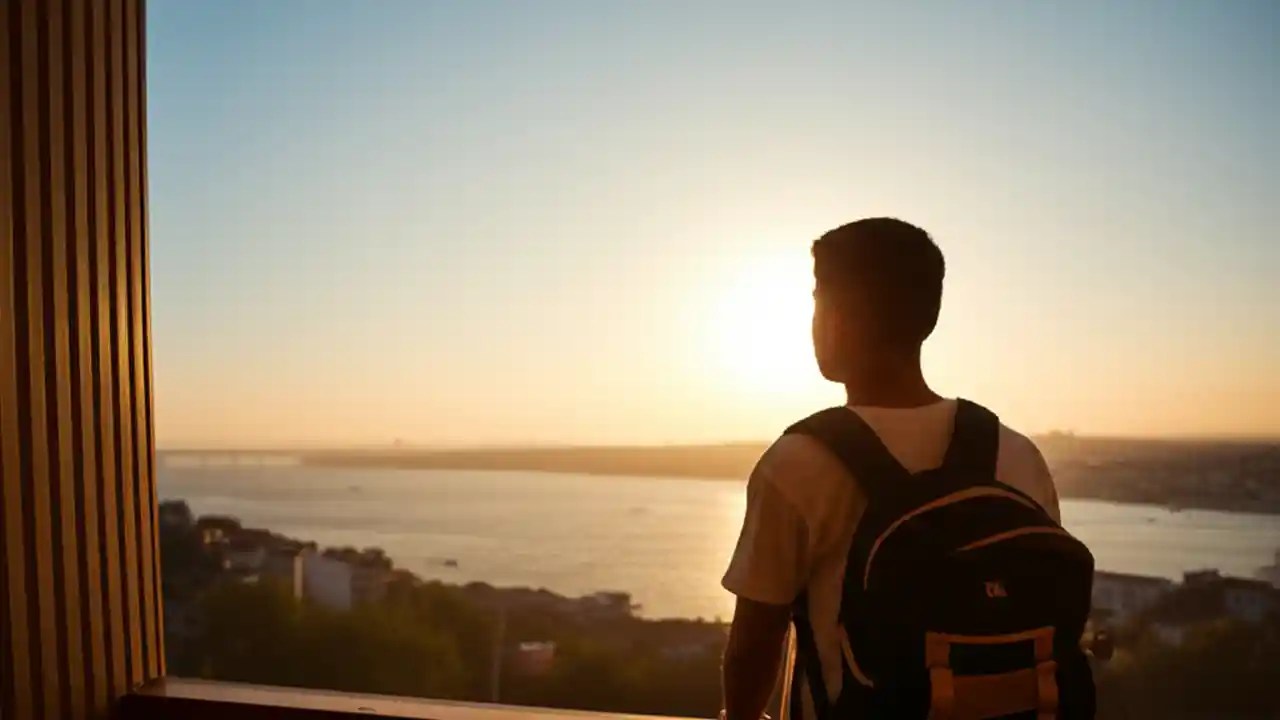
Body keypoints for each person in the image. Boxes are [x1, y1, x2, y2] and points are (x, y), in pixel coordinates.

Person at [720, 218, 1066, 720]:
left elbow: (754, 644)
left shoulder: (799, 463)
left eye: (817, 298)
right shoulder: (1017, 455)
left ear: (837, 316)